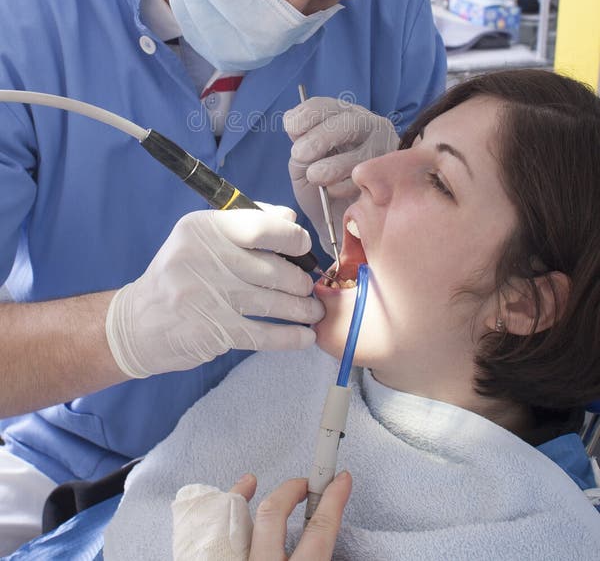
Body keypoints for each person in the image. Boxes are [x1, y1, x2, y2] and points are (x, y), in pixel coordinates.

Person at [0, 0, 475, 552]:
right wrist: (127, 326)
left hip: (299, 454)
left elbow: (443, 294)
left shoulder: (391, 3)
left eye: (330, 0)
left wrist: (397, 188)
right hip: (71, 466)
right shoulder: (20, 13)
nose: (289, 18)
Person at [103, 69, 600, 560]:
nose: (368, 172)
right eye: (412, 142)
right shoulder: (303, 377)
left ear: (523, 303)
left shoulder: (545, 534)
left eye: (438, 181)